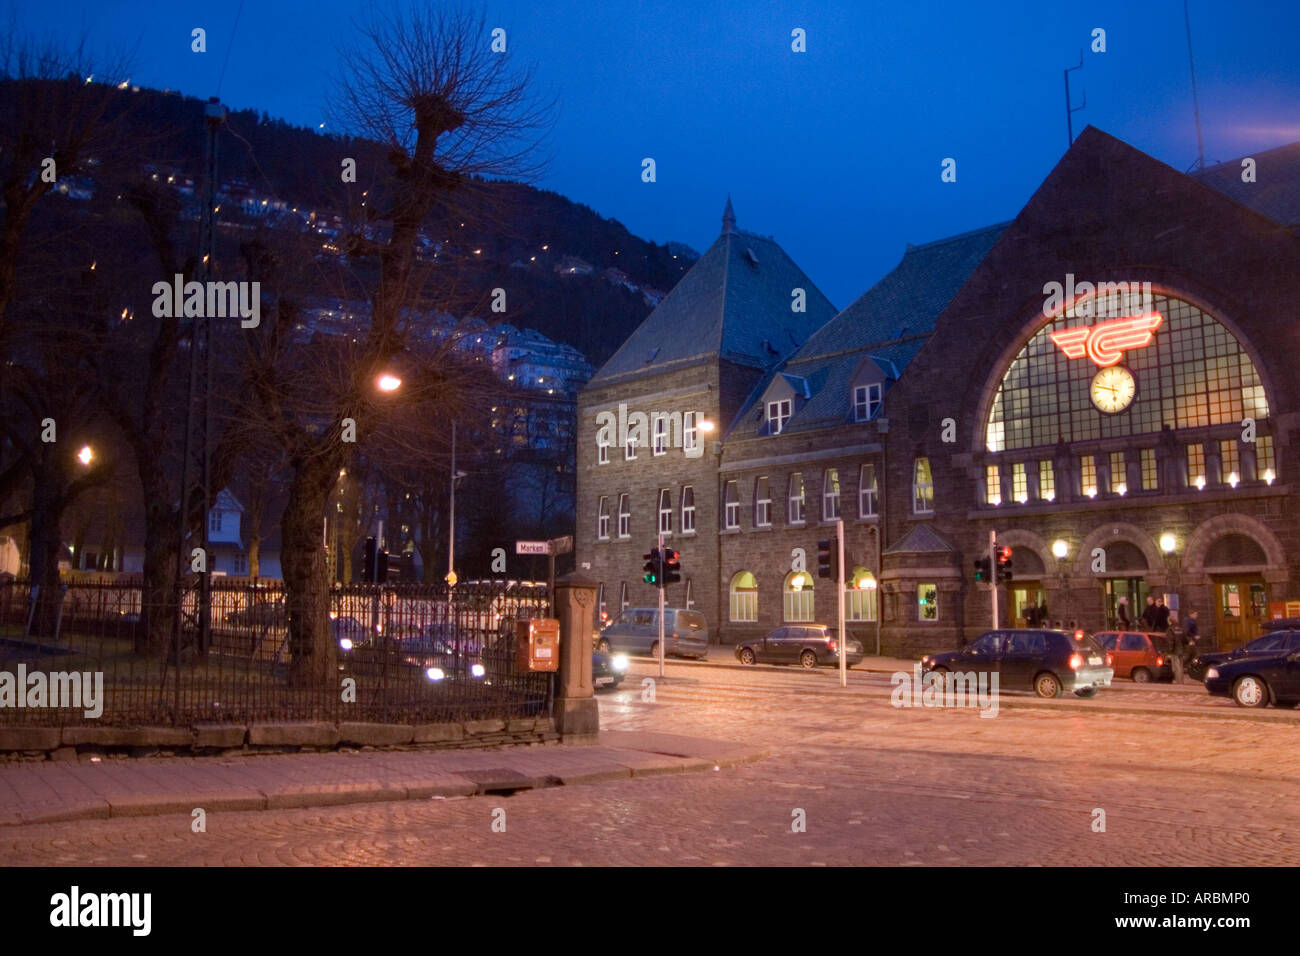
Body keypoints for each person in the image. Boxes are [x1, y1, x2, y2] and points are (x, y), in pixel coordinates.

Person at [1166, 611, 1187, 682]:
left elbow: (1170, 641)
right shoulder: (1180, 628)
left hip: (1175, 651)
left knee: (1176, 667)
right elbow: (1185, 639)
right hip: (1182, 649)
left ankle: (1179, 681)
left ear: (1169, 621)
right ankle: (1182, 680)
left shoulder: (1170, 629)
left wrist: (1170, 650)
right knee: (1181, 666)